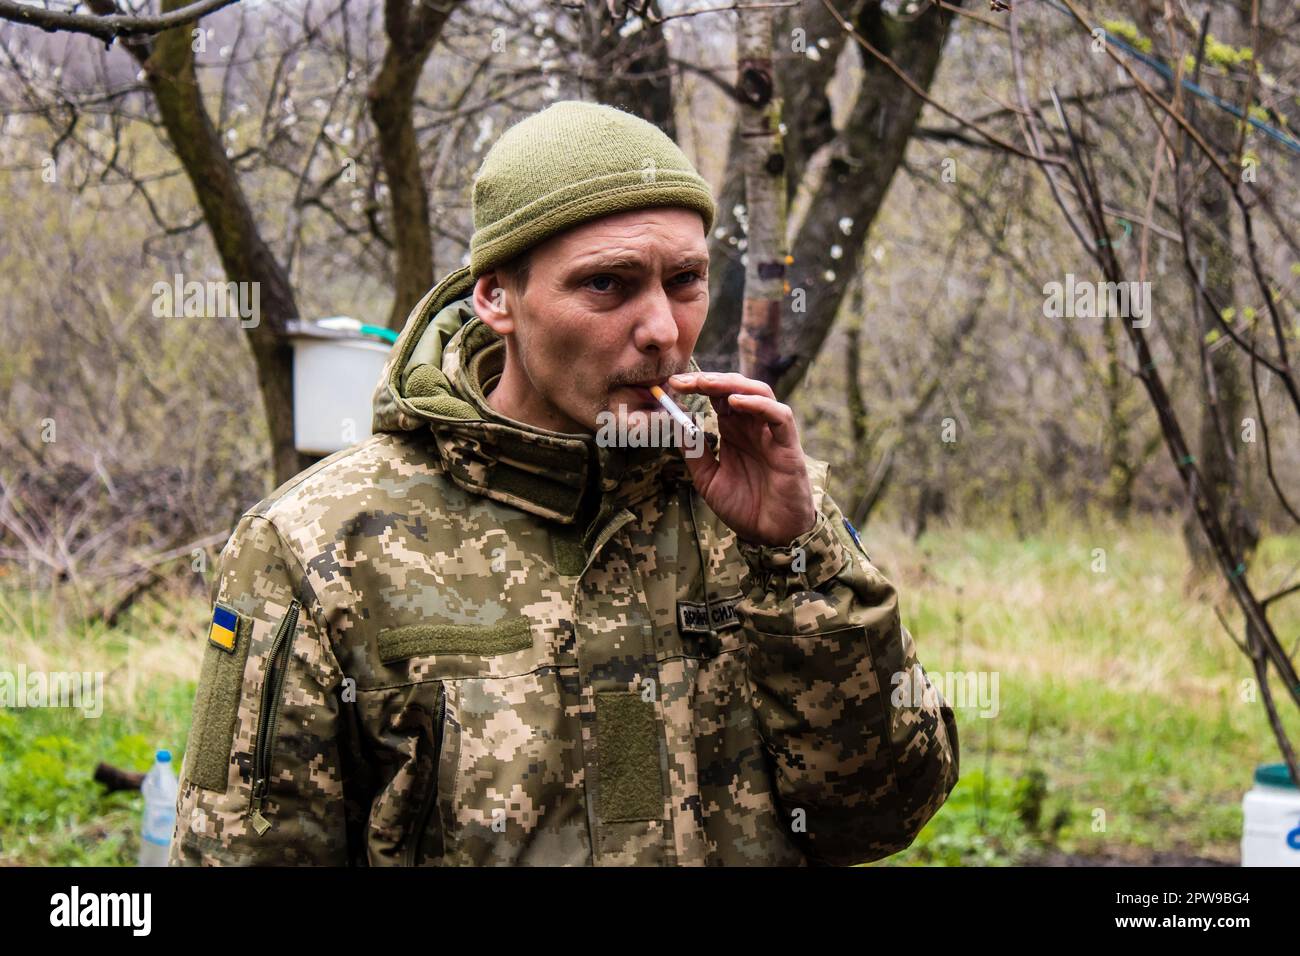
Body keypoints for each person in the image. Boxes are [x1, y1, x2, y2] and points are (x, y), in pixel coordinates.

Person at [169, 99, 958, 866]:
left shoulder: (765, 498)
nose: (660, 330)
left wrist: (797, 560)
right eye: (607, 285)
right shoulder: (319, 544)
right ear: (496, 298)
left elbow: (882, 817)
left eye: (684, 280)